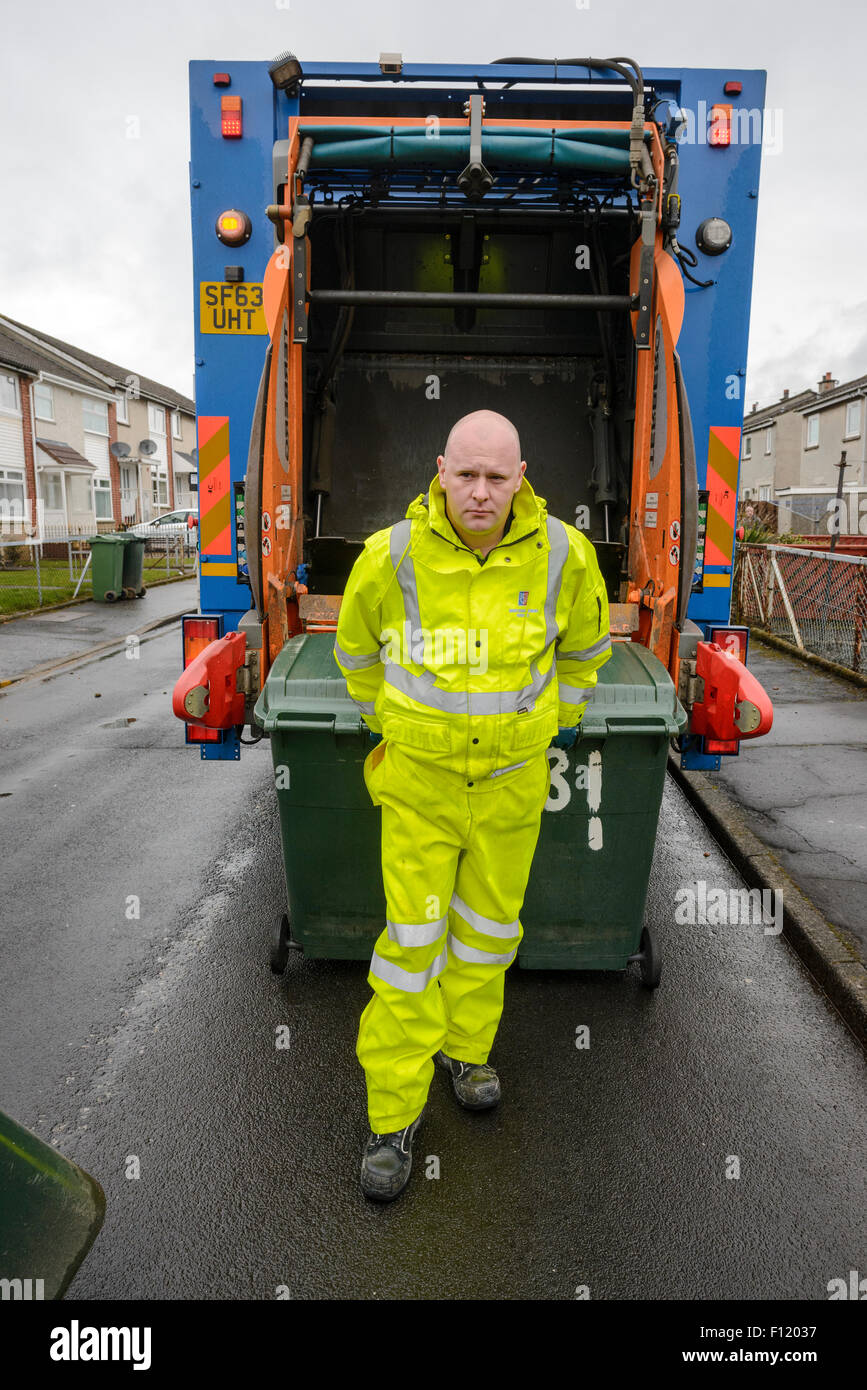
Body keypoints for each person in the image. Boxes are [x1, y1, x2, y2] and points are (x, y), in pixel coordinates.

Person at [333, 410, 612, 1201]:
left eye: (497, 476)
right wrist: (393, 723)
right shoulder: (389, 556)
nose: (481, 492)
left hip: (511, 786)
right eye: (467, 475)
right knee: (411, 946)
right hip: (418, 788)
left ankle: (466, 1049)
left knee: (489, 933)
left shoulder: (564, 553)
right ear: (439, 471)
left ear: (521, 476)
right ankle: (392, 1117)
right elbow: (355, 653)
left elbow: (585, 651)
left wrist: (557, 717)